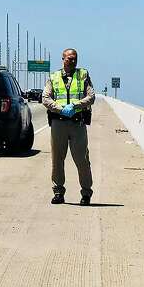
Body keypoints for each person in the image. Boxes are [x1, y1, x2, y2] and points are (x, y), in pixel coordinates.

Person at [43, 48, 96, 206]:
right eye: (69, 58)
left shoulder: (83, 75)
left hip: (77, 122)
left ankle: (86, 193)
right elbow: (45, 98)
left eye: (74, 58)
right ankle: (58, 192)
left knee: (82, 159)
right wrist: (60, 109)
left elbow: (91, 96)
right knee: (57, 159)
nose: (72, 61)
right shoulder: (54, 77)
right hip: (58, 122)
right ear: (63, 59)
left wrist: (75, 105)